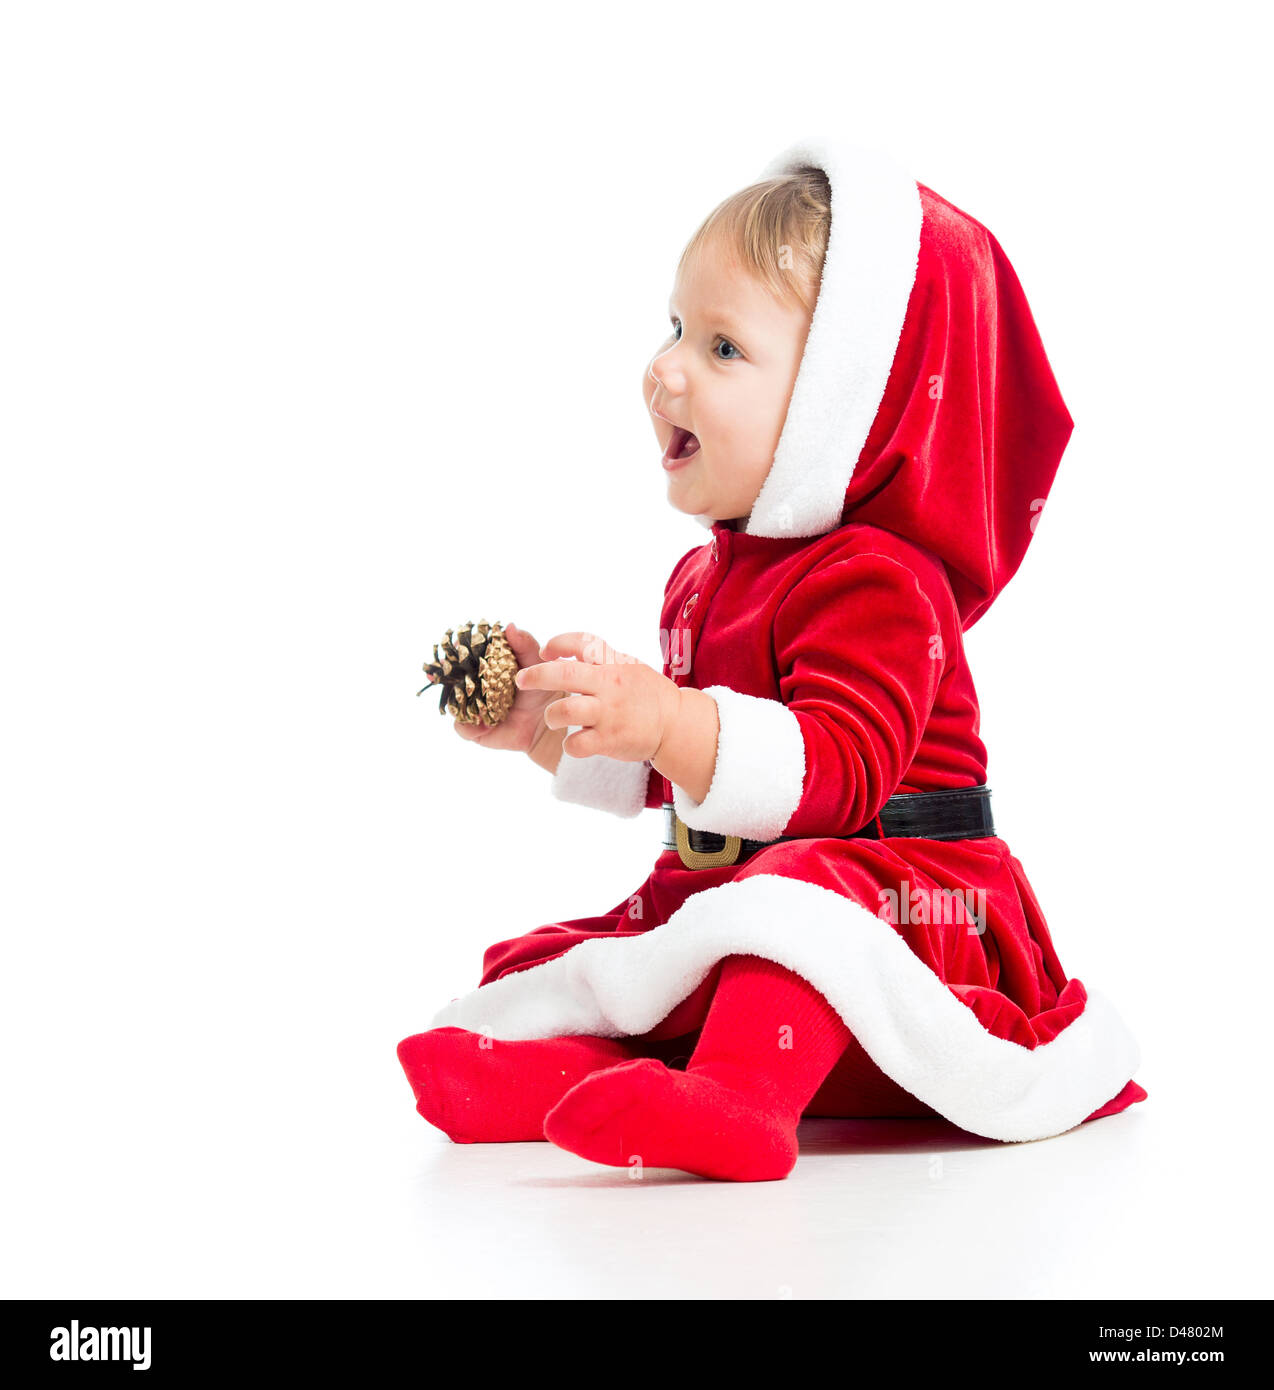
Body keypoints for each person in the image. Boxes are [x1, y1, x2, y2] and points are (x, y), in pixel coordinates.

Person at [398, 138, 1147, 1182]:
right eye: (673, 329)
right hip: (774, 913)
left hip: (907, 921)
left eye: (719, 348)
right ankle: (567, 1073)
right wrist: (558, 725)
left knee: (787, 898)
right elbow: (691, 778)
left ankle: (739, 1101)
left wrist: (665, 714)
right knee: (649, 936)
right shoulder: (704, 579)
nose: (663, 369)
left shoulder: (881, 581)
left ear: (845, 405)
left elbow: (834, 769)